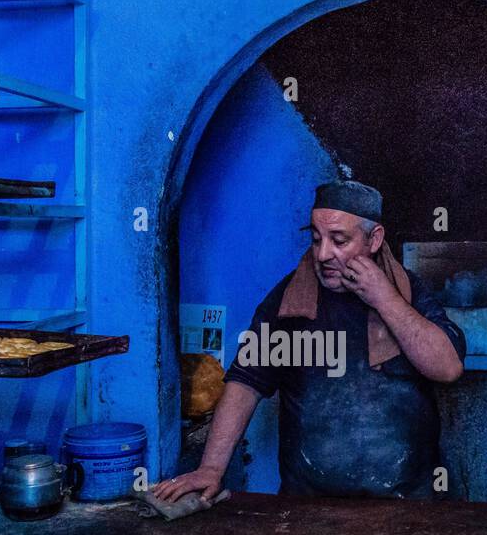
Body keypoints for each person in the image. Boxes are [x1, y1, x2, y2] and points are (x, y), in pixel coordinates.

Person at [155, 180, 466, 502]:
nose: (323, 254)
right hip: (307, 506)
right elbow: (246, 382)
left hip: (407, 503)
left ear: (374, 239)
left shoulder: (407, 293)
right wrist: (211, 469)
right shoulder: (290, 302)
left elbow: (447, 369)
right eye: (316, 239)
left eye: (339, 240)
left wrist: (384, 298)